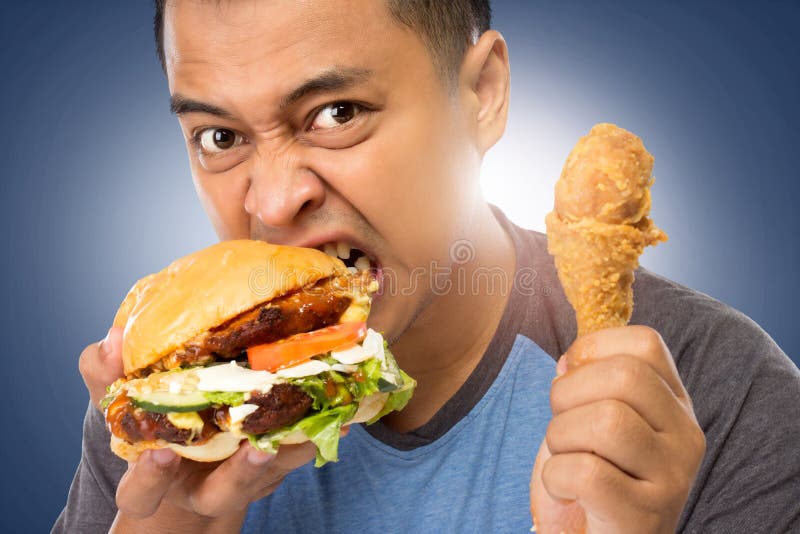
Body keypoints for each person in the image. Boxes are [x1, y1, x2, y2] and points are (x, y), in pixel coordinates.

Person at [54, 1, 800, 532]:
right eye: (219, 137)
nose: (276, 204)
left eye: (337, 113)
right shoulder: (166, 410)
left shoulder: (716, 393)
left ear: (482, 94)